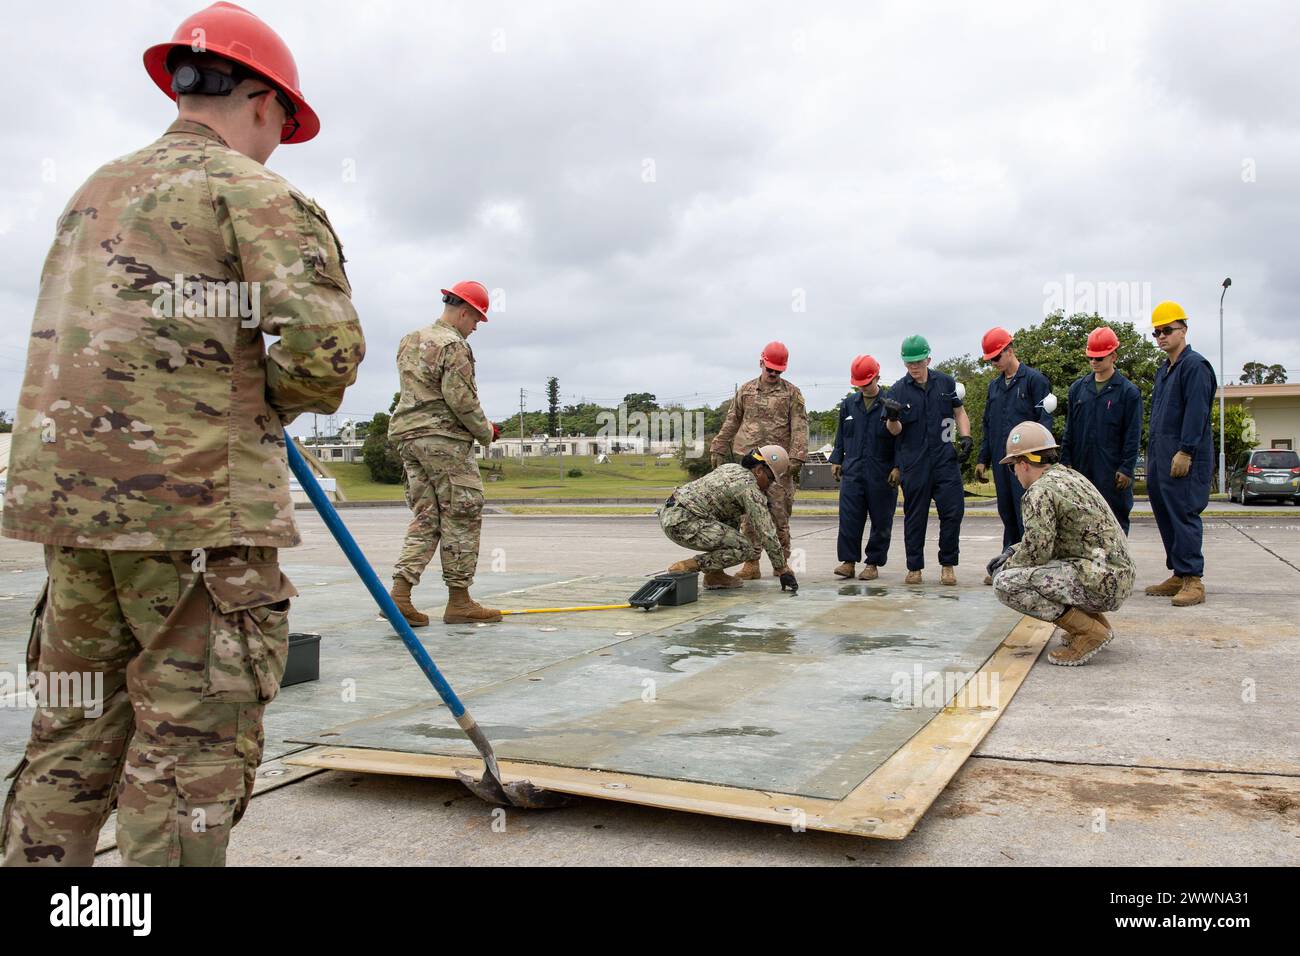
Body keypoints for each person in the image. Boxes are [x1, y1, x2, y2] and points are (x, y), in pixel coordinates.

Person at [0, 3, 364, 866]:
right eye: (286, 124)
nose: (280, 141)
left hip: (73, 513)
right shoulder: (255, 192)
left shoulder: (94, 190)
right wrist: (255, 400)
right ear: (265, 102)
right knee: (190, 750)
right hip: (194, 515)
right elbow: (327, 351)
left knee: (71, 734)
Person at [388, 281, 503, 625]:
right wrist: (486, 432)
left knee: (426, 517)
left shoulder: (410, 339)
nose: (476, 327)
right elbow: (461, 399)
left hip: (409, 437)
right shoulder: (454, 345)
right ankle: (459, 600)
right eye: (477, 320)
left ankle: (400, 595)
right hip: (444, 442)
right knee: (463, 515)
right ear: (464, 311)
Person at [989, 422, 1135, 665]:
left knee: (1006, 583)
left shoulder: (1039, 492)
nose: (1014, 474)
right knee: (1051, 567)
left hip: (1100, 581)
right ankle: (1095, 623)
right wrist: (1013, 550)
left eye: (1013, 467)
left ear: (1024, 464)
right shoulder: (1069, 476)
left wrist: (1007, 564)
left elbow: (1038, 552)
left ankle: (1088, 632)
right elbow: (1059, 539)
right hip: (1116, 577)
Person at [709, 342, 808, 578]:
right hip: (751, 464)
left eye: (778, 371)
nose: (773, 374)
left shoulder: (792, 393)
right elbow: (732, 420)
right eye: (770, 369)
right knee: (750, 515)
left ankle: (781, 564)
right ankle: (751, 563)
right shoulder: (745, 390)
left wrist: (796, 458)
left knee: (780, 514)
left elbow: (800, 425)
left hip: (778, 465)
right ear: (761, 363)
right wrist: (719, 445)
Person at [1142, 301, 1216, 607]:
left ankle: (1192, 579)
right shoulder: (1164, 370)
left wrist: (1186, 450)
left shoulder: (1195, 366)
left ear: (1183, 330)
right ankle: (1178, 572)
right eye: (1156, 332)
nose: (1161, 336)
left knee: (1184, 513)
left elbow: (1197, 412)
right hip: (1161, 455)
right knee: (1165, 512)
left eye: (1167, 330)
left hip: (1184, 455)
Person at [886, 335, 972, 585]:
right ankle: (914, 567)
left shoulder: (946, 383)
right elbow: (894, 431)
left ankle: (948, 565)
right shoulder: (898, 391)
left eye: (918, 362)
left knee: (953, 513)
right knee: (915, 517)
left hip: (945, 461)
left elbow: (959, 411)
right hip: (914, 463)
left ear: (928, 359)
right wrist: (892, 417)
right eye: (909, 363)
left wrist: (966, 437)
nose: (914, 368)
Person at [973, 327, 1053, 582]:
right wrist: (982, 458)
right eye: (991, 360)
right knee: (1007, 511)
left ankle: (1032, 562)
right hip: (1002, 459)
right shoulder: (994, 387)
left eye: (997, 357)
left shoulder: (1035, 380)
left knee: (1027, 511)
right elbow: (988, 424)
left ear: (1009, 350)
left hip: (1027, 462)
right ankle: (1009, 559)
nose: (994, 364)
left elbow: (1044, 421)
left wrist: (1042, 459)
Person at [663, 446, 798, 592]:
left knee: (732, 520)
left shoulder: (730, 468)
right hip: (684, 523)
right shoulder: (749, 488)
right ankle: (686, 566)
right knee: (745, 548)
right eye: (771, 479)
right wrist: (782, 568)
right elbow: (766, 531)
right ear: (759, 471)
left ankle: (714, 576)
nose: (770, 484)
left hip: (673, 515)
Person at [1059, 326, 1143, 533]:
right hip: (1082, 468)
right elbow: (1070, 429)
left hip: (1111, 470)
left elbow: (1133, 434)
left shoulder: (1128, 392)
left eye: (1100, 358)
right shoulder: (1077, 389)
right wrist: (1065, 461)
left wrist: (1126, 469)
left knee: (1113, 521)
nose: (1094, 362)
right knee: (1081, 521)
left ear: (1113, 355)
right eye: (1091, 358)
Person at [829, 355, 899, 580]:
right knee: (849, 517)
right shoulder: (849, 404)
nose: (863, 388)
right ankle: (848, 562)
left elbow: (901, 439)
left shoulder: (890, 403)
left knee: (881, 519)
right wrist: (837, 458)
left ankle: (873, 563)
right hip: (853, 469)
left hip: (882, 471)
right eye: (858, 384)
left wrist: (899, 467)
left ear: (877, 377)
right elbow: (841, 433)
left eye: (866, 383)